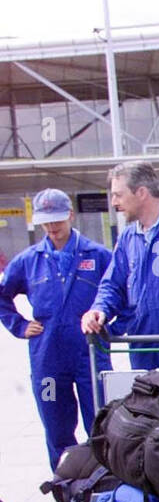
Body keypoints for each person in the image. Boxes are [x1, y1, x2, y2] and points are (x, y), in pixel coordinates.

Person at [0, 188, 112, 471]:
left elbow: (123, 293)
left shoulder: (98, 256)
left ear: (70, 216)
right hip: (48, 358)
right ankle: (67, 491)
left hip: (90, 353)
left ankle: (106, 489)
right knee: (56, 426)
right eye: (46, 221)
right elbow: (3, 296)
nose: (52, 227)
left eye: (58, 220)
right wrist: (20, 325)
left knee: (101, 424)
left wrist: (110, 326)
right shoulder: (28, 260)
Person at [81, 161, 159, 369]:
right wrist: (100, 310)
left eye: (118, 194)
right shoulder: (128, 238)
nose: (114, 202)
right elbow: (113, 285)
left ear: (141, 192)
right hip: (143, 350)